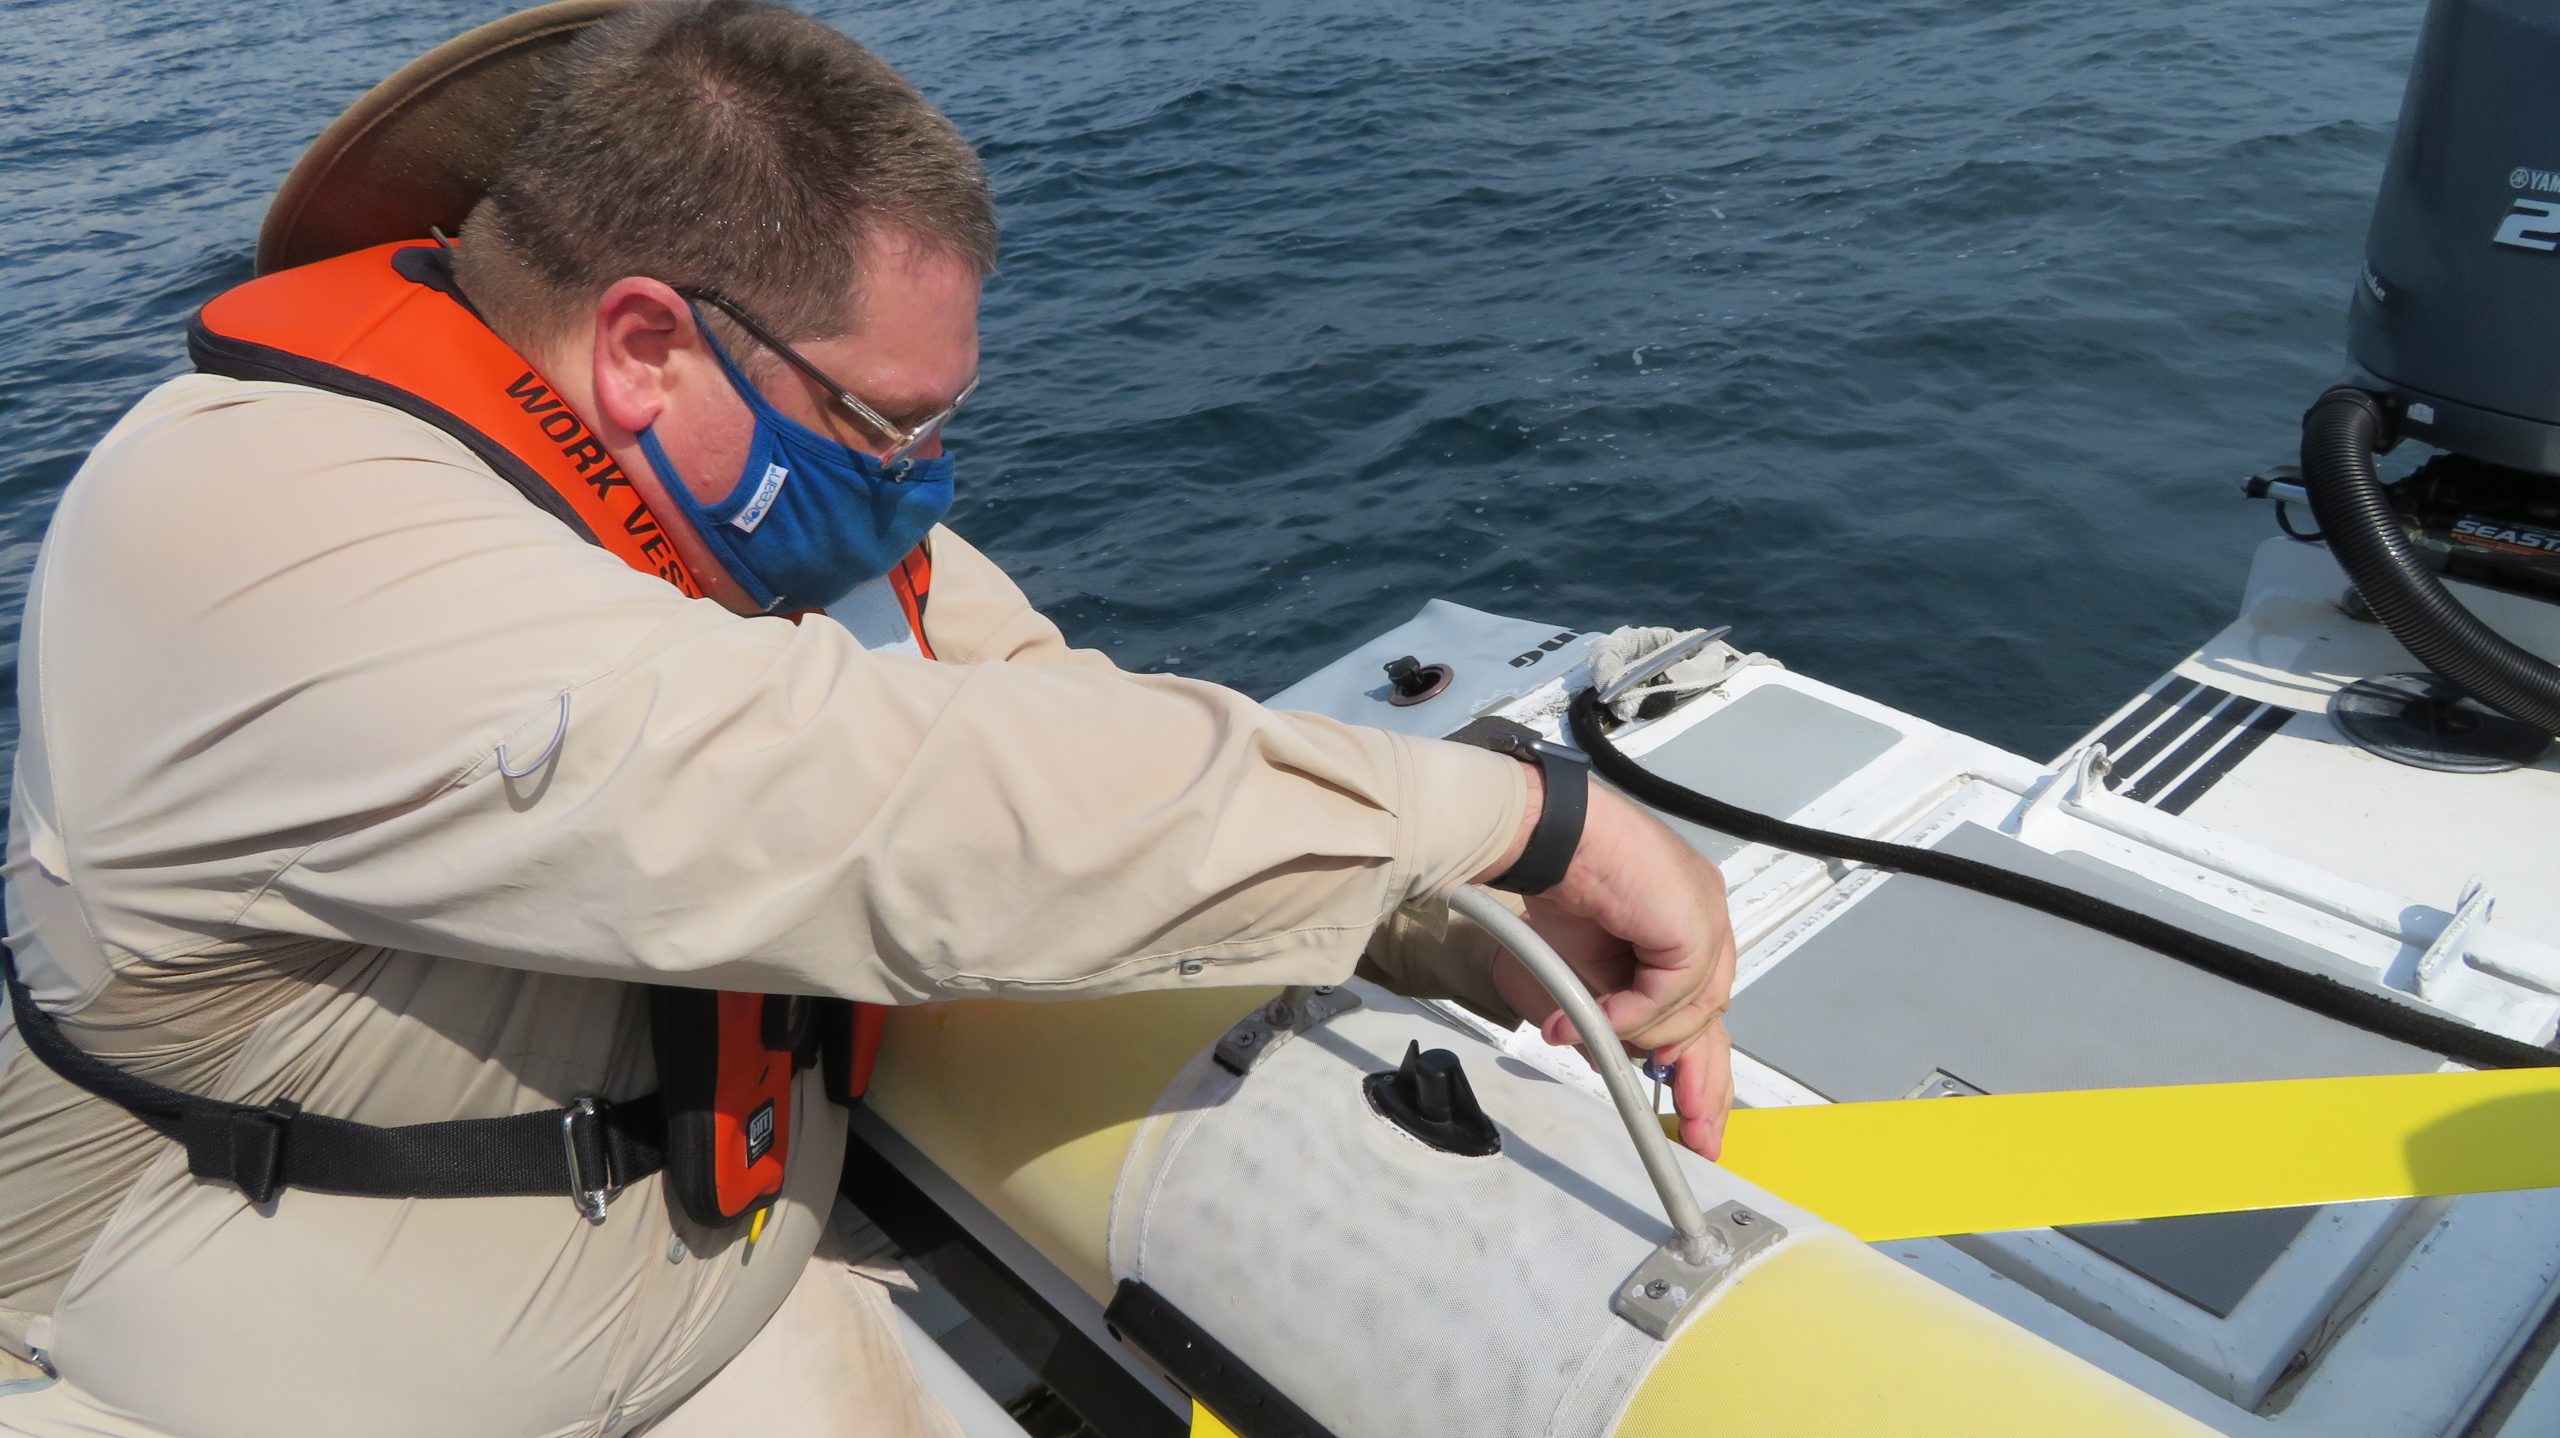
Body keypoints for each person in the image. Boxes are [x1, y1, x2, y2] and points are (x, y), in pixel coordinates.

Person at [0, 3, 1736, 1434]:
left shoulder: (705, 487)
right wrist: (1521, 812)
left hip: (714, 1308)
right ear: (645, 350)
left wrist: (1437, 918)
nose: (923, 487)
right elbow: (888, 803)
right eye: (890, 430)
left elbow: (1035, 718)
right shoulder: (261, 523)